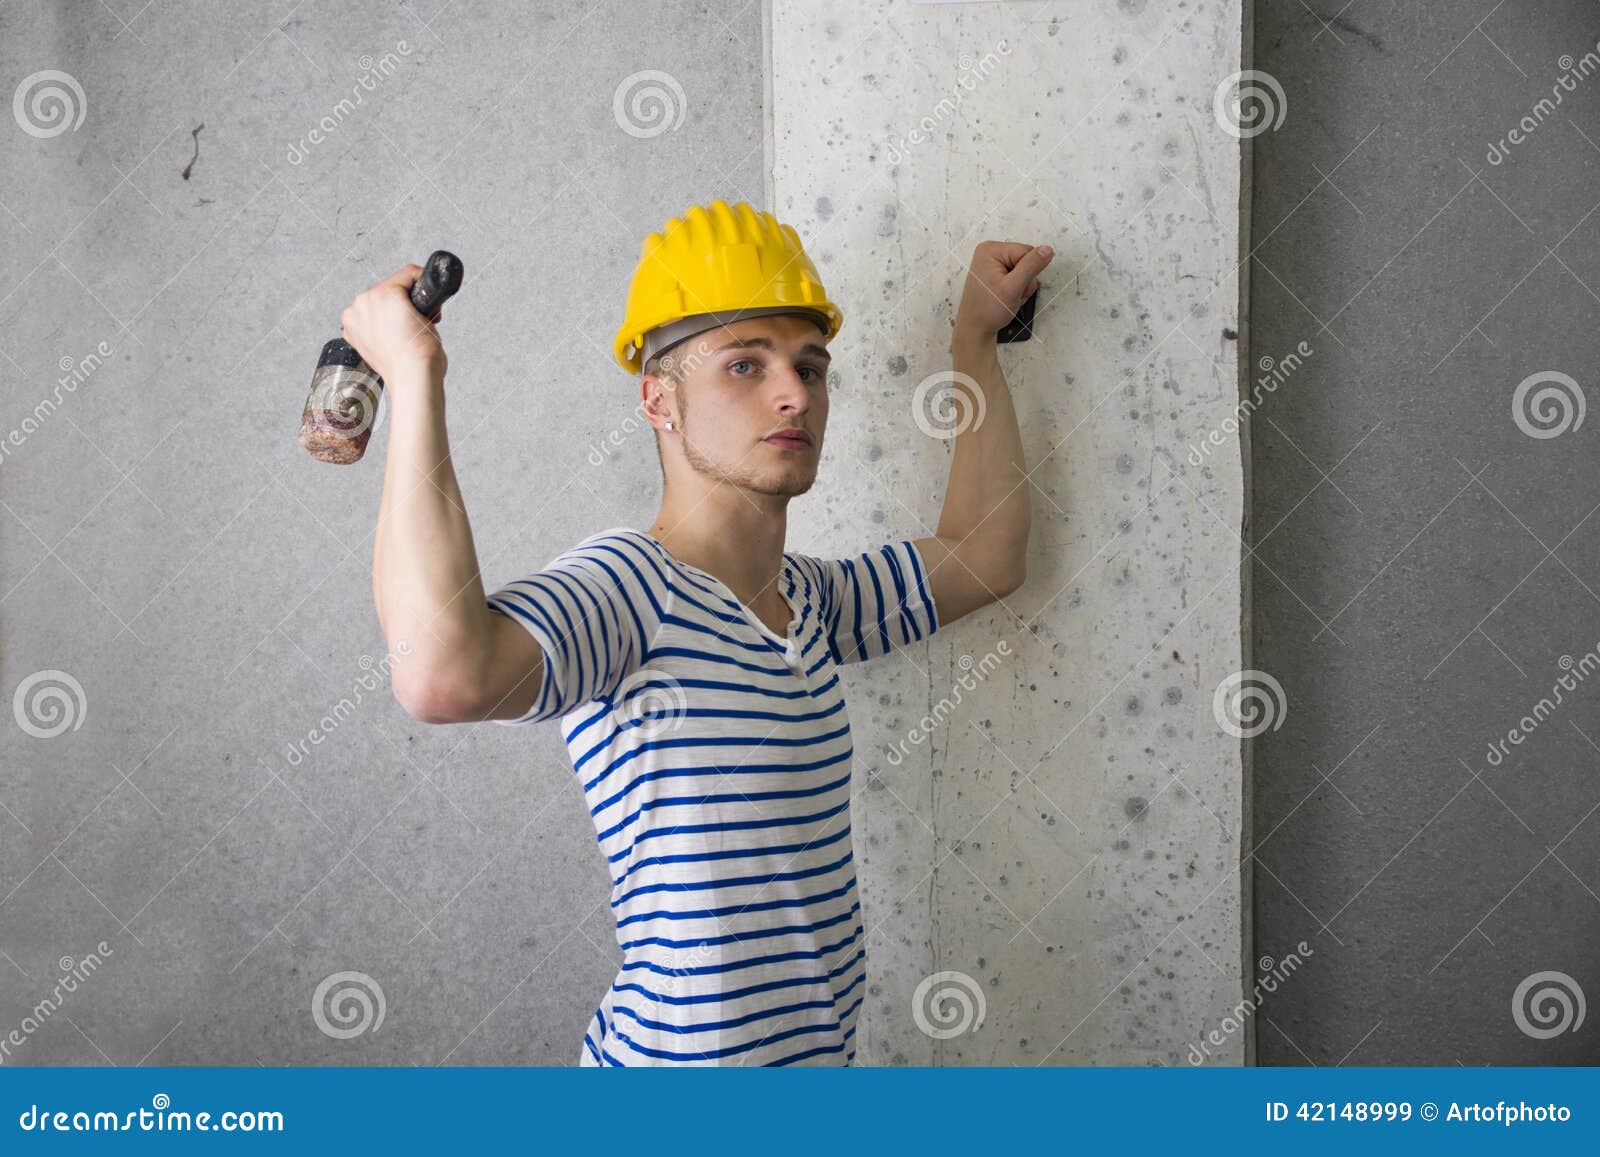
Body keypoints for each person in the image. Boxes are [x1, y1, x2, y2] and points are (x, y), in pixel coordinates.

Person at [346, 198, 1053, 1066]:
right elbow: (440, 676)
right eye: (744, 365)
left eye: (811, 365)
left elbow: (987, 554)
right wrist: (415, 376)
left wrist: (974, 342)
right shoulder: (630, 588)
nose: (794, 391)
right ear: (660, 401)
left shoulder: (810, 602)